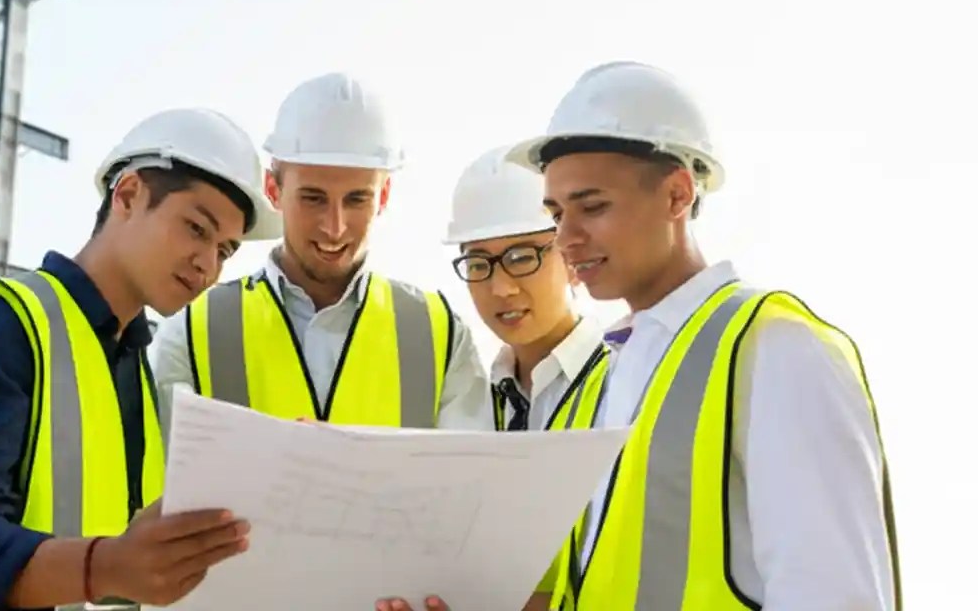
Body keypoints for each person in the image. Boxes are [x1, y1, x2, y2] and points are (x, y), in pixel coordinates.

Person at [502, 61, 902, 609]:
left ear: (677, 195)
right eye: (556, 213)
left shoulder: (777, 350)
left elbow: (834, 596)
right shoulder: (598, 382)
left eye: (592, 207)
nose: (566, 238)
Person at [0, 108, 283, 611]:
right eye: (195, 228)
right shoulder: (5, 321)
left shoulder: (133, 368)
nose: (207, 264)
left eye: (225, 250)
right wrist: (106, 567)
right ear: (127, 195)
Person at [149, 71, 492, 437]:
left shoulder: (441, 336)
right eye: (313, 198)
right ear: (273, 189)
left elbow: (466, 487)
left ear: (384, 196)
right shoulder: (193, 330)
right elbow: (168, 484)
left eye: (357, 199)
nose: (334, 227)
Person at [443, 144, 609, 611]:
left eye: (521, 257)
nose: (500, 287)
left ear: (571, 257)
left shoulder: (627, 386)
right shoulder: (468, 402)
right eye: (478, 264)